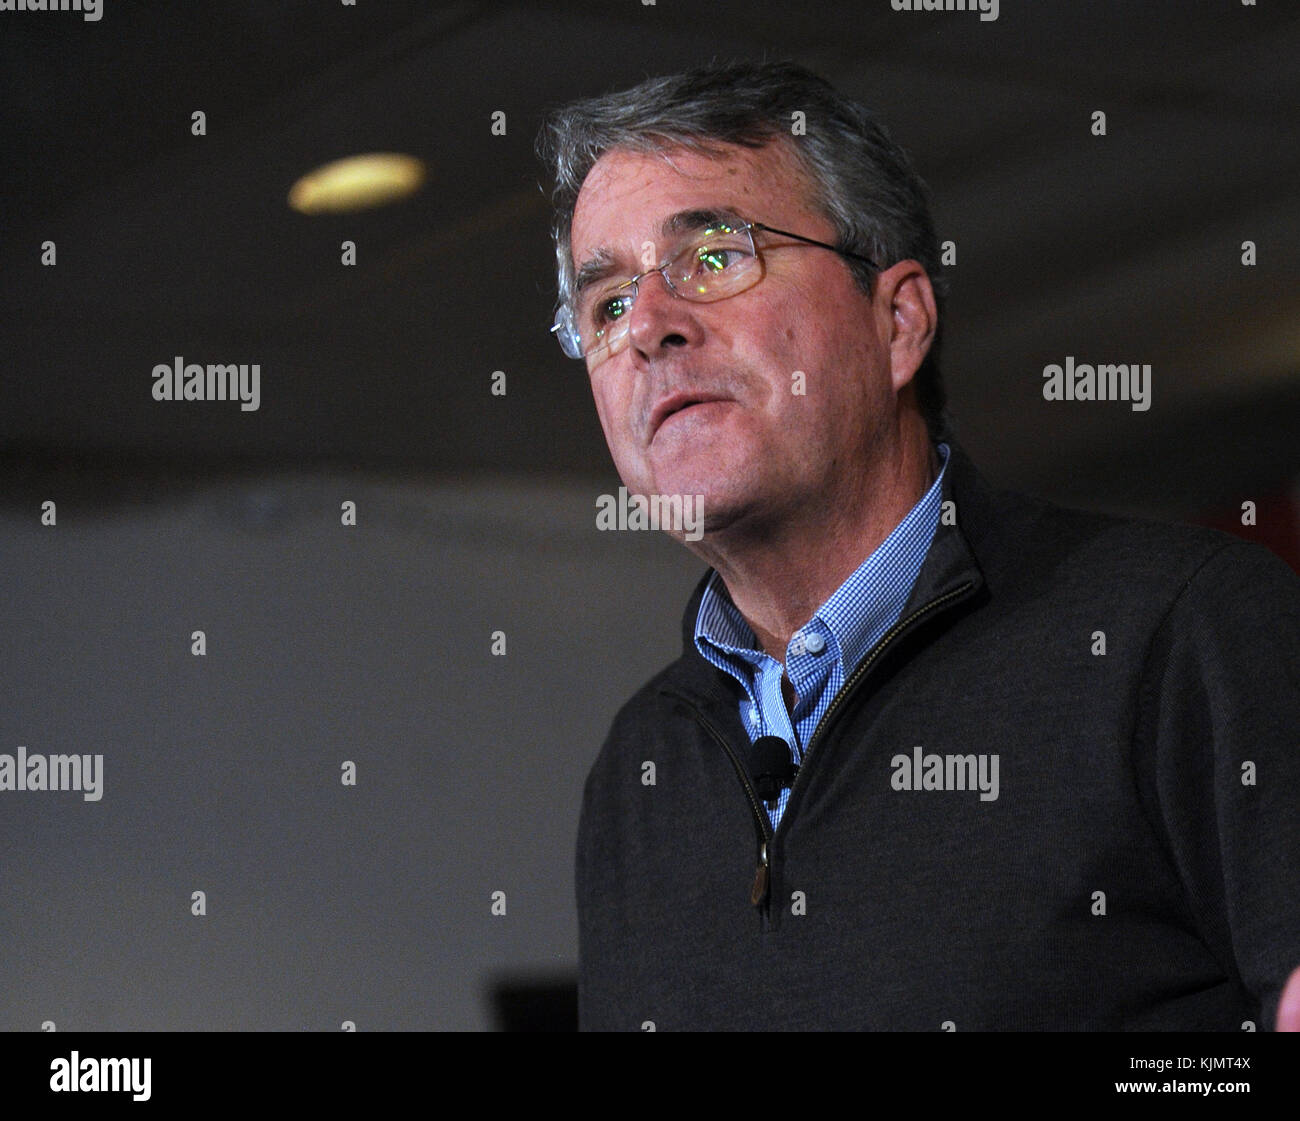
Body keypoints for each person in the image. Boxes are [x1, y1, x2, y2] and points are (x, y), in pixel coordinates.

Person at [536, 60, 1300, 1031]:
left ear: (896, 322)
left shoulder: (1180, 631)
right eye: (605, 304)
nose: (646, 324)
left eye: (716, 258)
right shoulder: (640, 771)